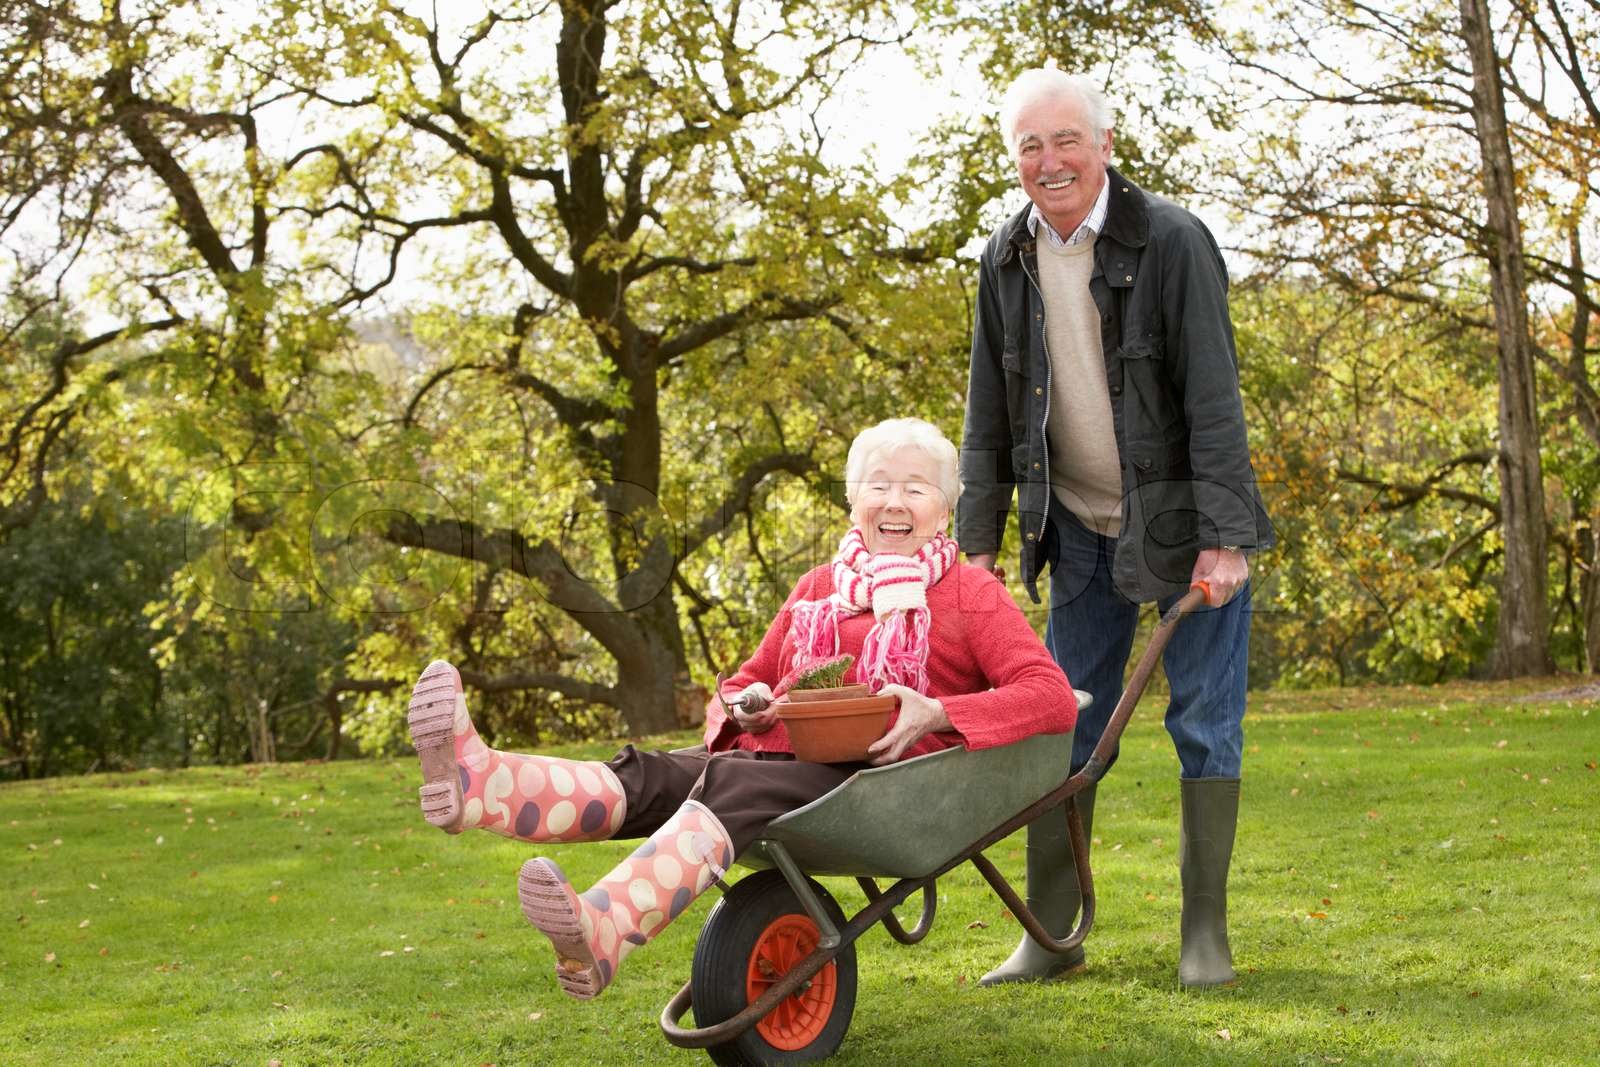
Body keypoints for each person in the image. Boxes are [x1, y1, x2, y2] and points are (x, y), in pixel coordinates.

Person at [407, 417, 1079, 1000]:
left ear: (945, 509)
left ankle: (607, 927)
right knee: (658, 772)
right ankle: (484, 787)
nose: (895, 501)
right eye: (878, 485)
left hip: (891, 784)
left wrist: (932, 712)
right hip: (787, 759)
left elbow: (1050, 694)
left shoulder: (969, 594)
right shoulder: (819, 587)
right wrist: (747, 705)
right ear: (854, 502)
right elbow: (752, 679)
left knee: (728, 779)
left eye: (916, 487)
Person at [959, 69, 1274, 988]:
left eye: (1066, 140)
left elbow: (1213, 396)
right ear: (1015, 158)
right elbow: (988, 408)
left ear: (1103, 145)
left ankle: (1204, 934)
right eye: (1030, 145)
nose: (1049, 160)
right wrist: (976, 545)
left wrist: (1227, 536)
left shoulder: (1172, 240)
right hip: (1076, 526)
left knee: (1204, 724)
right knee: (1062, 721)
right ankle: (1052, 931)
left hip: (1182, 526)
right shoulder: (1004, 256)